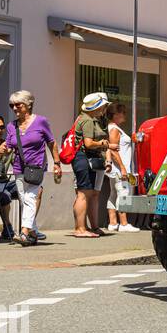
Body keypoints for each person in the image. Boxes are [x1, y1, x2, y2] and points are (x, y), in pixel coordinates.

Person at [5, 90, 60, 247]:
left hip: (36, 166)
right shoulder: (11, 126)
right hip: (18, 168)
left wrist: (56, 163)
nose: (14, 108)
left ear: (28, 105)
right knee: (24, 200)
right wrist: (3, 149)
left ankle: (24, 233)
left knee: (30, 198)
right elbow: (9, 147)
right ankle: (33, 233)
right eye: (12, 106)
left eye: (18, 105)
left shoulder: (41, 122)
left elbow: (52, 142)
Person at [71, 92, 112, 238]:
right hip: (84, 158)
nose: (104, 109)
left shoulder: (91, 119)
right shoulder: (87, 120)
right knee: (83, 193)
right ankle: (80, 228)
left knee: (89, 194)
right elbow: (88, 143)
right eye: (103, 106)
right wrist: (103, 143)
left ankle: (89, 227)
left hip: (89, 159)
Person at [105, 103, 138, 233]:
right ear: (116, 115)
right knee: (123, 193)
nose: (124, 115)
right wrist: (123, 168)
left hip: (115, 168)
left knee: (114, 193)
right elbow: (113, 150)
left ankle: (113, 223)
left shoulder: (111, 128)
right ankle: (124, 223)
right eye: (122, 113)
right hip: (119, 168)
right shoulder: (114, 129)